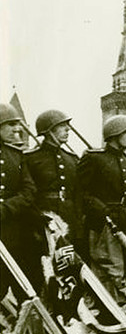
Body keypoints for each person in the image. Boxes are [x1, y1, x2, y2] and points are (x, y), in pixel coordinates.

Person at [78, 115, 126, 294]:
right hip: (101, 225)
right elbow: (81, 193)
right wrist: (102, 210)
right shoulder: (94, 158)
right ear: (114, 135)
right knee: (103, 268)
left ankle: (123, 304)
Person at [24, 110, 82, 259]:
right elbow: (27, 193)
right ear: (49, 131)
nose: (68, 129)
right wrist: (39, 219)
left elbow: (78, 194)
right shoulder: (31, 159)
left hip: (68, 219)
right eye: (62, 126)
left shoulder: (72, 159)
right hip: (41, 221)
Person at [0, 103, 37, 296]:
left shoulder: (16, 155)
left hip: (13, 235)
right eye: (10, 124)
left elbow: (29, 190)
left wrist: (7, 208)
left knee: (20, 286)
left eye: (17, 123)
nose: (17, 129)